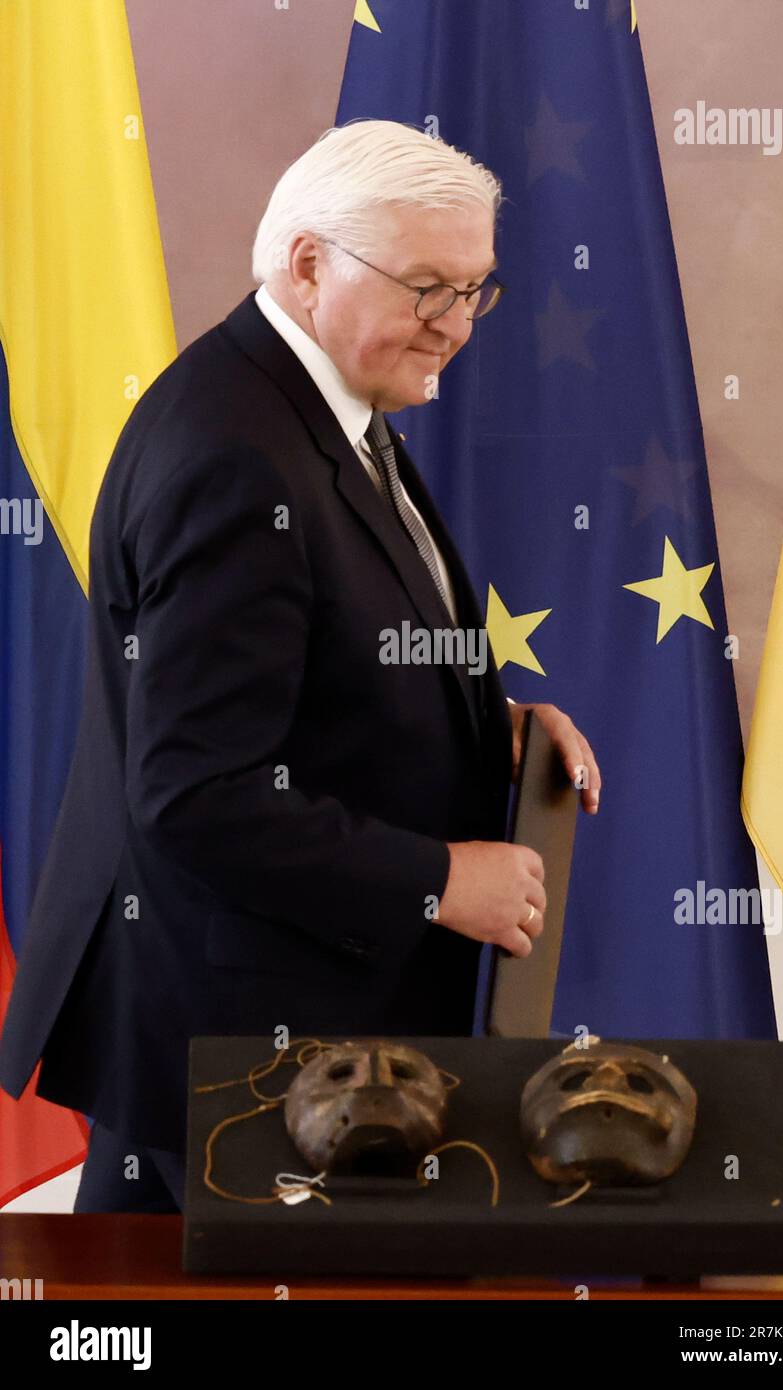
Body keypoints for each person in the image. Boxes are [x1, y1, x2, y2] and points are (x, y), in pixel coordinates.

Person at [0, 119, 600, 1213]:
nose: (457, 327)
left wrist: (482, 723)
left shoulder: (309, 408)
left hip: (254, 1027)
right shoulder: (234, 455)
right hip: (246, 1049)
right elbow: (200, 793)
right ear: (309, 263)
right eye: (427, 288)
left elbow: (301, 673)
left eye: (475, 291)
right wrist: (440, 877)